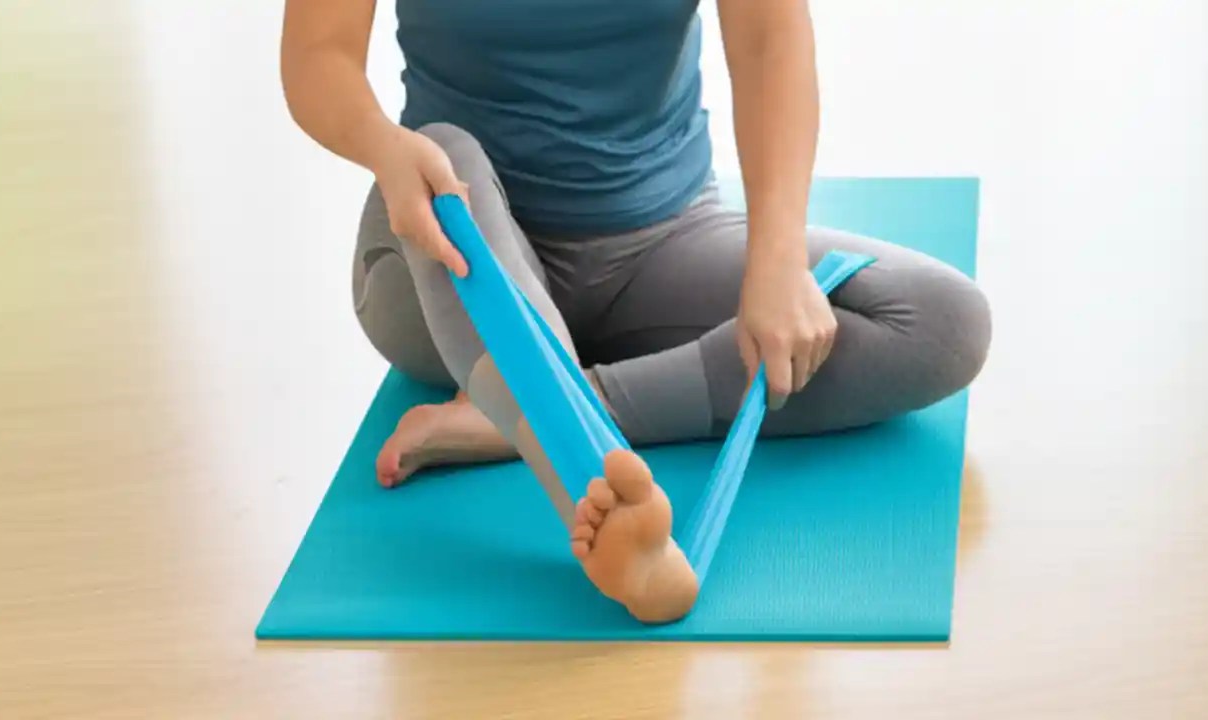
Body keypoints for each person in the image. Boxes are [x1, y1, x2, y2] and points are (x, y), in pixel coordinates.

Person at [280, 0, 991, 623]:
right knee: (445, 152)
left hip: (660, 244)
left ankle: (535, 413)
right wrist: (385, 147)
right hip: (449, 258)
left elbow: (771, 36)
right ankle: (607, 514)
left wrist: (776, 263)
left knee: (942, 321)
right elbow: (319, 52)